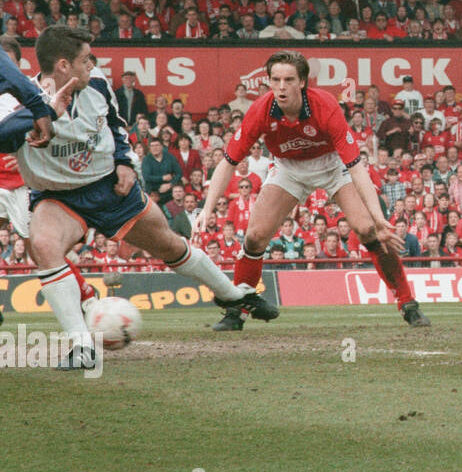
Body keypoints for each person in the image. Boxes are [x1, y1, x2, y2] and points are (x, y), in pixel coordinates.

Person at [0, 27, 268, 370]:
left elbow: (115, 123)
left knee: (170, 245)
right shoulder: (24, 97)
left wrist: (125, 161)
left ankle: (234, 295)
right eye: (86, 59)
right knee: (44, 245)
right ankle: (82, 346)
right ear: (64, 65)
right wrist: (43, 113)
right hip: (57, 196)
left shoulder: (97, 83)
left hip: (109, 188)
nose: (93, 64)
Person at [195, 50, 429, 330]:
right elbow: (228, 162)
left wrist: (379, 219)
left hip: (333, 167)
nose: (281, 87)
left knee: (368, 231)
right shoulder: (260, 110)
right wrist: (207, 210)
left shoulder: (325, 106)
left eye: (288, 80)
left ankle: (407, 303)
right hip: (288, 168)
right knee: (255, 237)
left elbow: (356, 167)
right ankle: (237, 311)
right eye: (275, 79)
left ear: (302, 82)